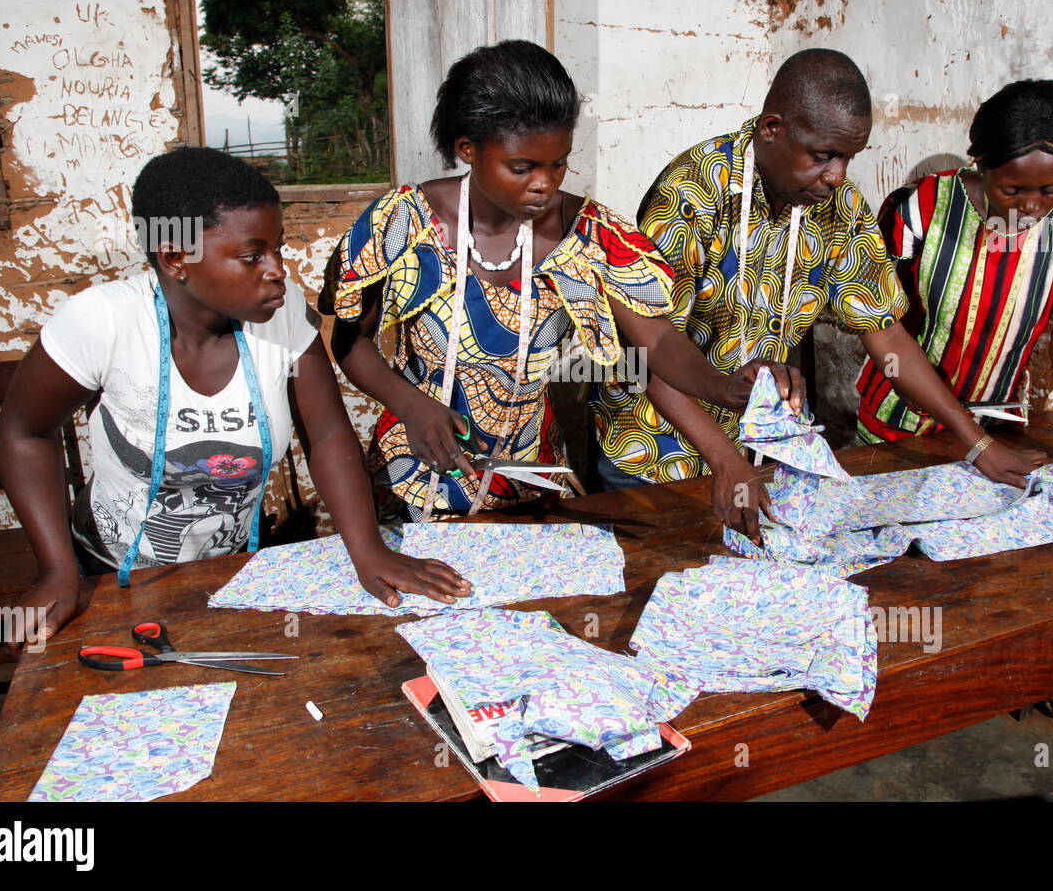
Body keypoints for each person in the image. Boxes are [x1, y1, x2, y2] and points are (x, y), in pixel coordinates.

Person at [321, 40, 803, 537]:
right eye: (522, 167)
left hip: (533, 480)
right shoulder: (401, 223)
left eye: (559, 163)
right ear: (468, 150)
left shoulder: (589, 233)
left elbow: (654, 343)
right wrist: (411, 404)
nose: (545, 184)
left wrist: (723, 388)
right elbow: (349, 341)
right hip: (421, 469)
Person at [0, 147, 468, 652]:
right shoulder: (101, 322)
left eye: (279, 250)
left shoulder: (282, 316)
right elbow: (25, 433)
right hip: (107, 575)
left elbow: (328, 436)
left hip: (230, 569)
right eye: (252, 256)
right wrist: (55, 570)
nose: (277, 271)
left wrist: (370, 551)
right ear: (176, 257)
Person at [592, 49, 1045, 510]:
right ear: (772, 129)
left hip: (752, 448)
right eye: (823, 155)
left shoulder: (839, 206)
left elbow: (886, 335)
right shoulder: (693, 193)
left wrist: (977, 443)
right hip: (654, 450)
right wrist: (725, 459)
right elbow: (646, 343)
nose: (837, 175)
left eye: (848, 158)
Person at [855, 79, 1053, 470]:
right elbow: (883, 330)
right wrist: (976, 445)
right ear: (981, 164)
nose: (1032, 207)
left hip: (998, 426)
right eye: (1012, 190)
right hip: (900, 423)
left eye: (1050, 190)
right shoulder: (924, 208)